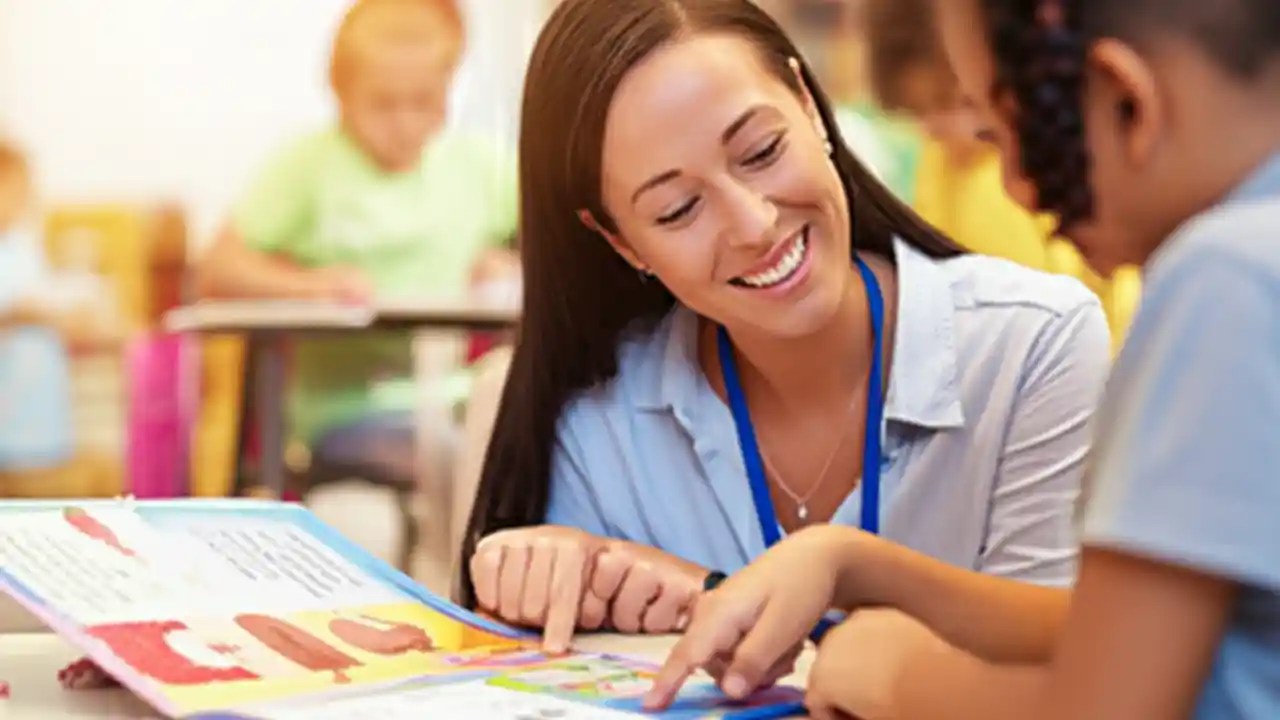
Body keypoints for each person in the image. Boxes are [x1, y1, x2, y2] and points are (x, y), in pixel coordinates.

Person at [650, 0, 1280, 718]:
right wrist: (854, 563)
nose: (1014, 183)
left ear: (1127, 102)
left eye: (1004, 133)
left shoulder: (1224, 281)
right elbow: (1118, 628)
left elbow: (1101, 705)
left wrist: (897, 677)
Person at [462, 0, 1111, 660]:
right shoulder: (602, 426)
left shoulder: (1032, 347)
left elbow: (1063, 677)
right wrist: (527, 596)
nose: (753, 224)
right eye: (678, 209)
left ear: (807, 104)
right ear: (619, 242)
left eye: (761, 151)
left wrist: (709, 595)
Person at [195, 0, 518, 476]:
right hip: (348, 414)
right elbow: (216, 270)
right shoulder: (307, 167)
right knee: (458, 461)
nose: (405, 124)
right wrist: (311, 287)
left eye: (425, 102)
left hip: (459, 399)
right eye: (383, 104)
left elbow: (564, 242)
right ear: (341, 93)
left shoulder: (481, 167)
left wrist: (513, 265)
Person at [864, 0, 1140, 352]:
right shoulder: (940, 165)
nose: (950, 129)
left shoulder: (1005, 177)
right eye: (924, 112)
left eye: (964, 104)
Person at [0, 142, 115, 473]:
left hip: (37, 400)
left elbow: (39, 293)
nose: (25, 200)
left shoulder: (23, 247)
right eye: (16, 190)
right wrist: (49, 313)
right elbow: (17, 305)